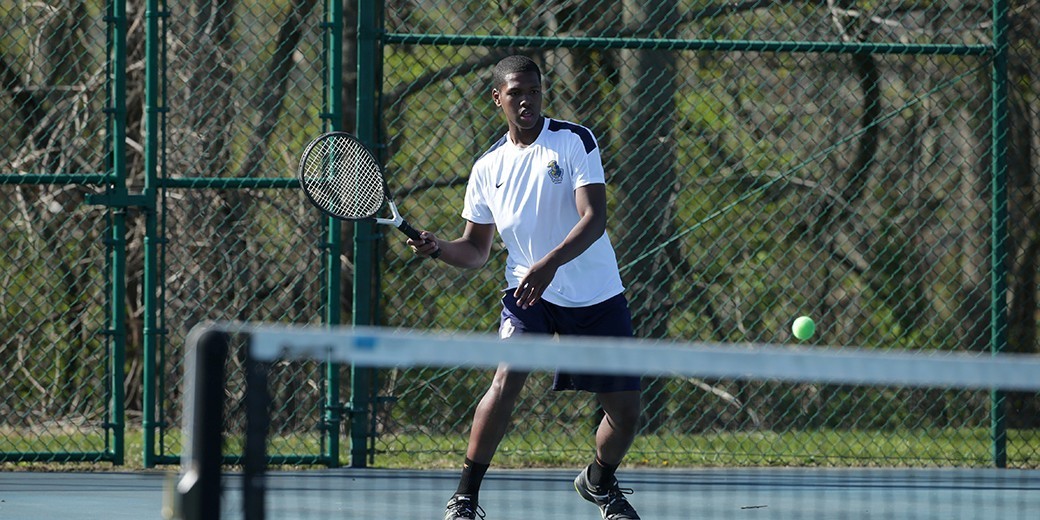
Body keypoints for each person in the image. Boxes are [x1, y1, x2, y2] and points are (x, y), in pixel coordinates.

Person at [407, 54, 642, 520]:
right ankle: (465, 497)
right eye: (516, 93)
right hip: (527, 293)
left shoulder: (574, 141)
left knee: (627, 410)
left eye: (533, 91)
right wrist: (438, 248)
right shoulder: (487, 167)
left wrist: (550, 264)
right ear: (498, 99)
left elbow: (594, 219)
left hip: (593, 292)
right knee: (505, 380)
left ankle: (599, 481)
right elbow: (475, 250)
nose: (527, 101)